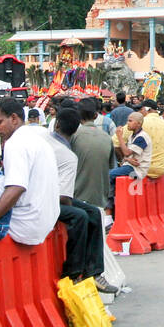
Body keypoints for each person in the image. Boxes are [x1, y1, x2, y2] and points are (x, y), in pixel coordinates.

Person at [0, 99, 58, 247]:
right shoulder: (38, 140)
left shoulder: (15, 143)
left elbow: (16, 188)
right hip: (44, 221)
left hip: (25, 225)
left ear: (14, 118)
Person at [49, 106, 106, 286]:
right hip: (47, 199)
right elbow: (64, 198)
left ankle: (94, 272)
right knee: (80, 216)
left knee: (93, 213)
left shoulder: (50, 142)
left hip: (51, 194)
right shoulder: (67, 155)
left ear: (56, 124)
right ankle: (74, 273)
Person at [71, 99, 113, 208]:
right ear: (95, 116)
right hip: (100, 199)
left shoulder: (74, 136)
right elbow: (111, 166)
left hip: (77, 198)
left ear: (78, 116)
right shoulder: (107, 138)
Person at [109, 112, 152, 183]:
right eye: (127, 121)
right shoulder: (131, 136)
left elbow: (126, 153)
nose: (127, 123)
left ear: (139, 123)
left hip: (137, 171)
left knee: (109, 175)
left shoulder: (142, 137)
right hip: (131, 166)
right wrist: (127, 159)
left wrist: (119, 136)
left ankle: (108, 194)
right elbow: (127, 156)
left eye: (130, 121)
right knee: (112, 175)